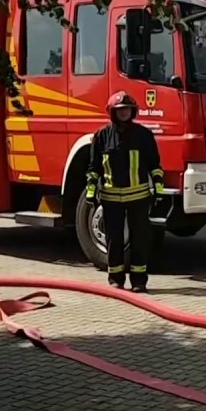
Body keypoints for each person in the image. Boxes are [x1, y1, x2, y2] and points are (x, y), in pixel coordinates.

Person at [86, 92, 163, 292]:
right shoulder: (102, 136)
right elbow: (94, 167)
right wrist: (91, 190)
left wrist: (158, 187)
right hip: (111, 198)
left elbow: (154, 164)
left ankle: (139, 281)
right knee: (114, 239)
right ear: (112, 112)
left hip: (138, 197)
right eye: (119, 110)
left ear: (133, 111)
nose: (124, 113)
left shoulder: (143, 135)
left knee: (139, 239)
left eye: (127, 109)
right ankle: (116, 279)